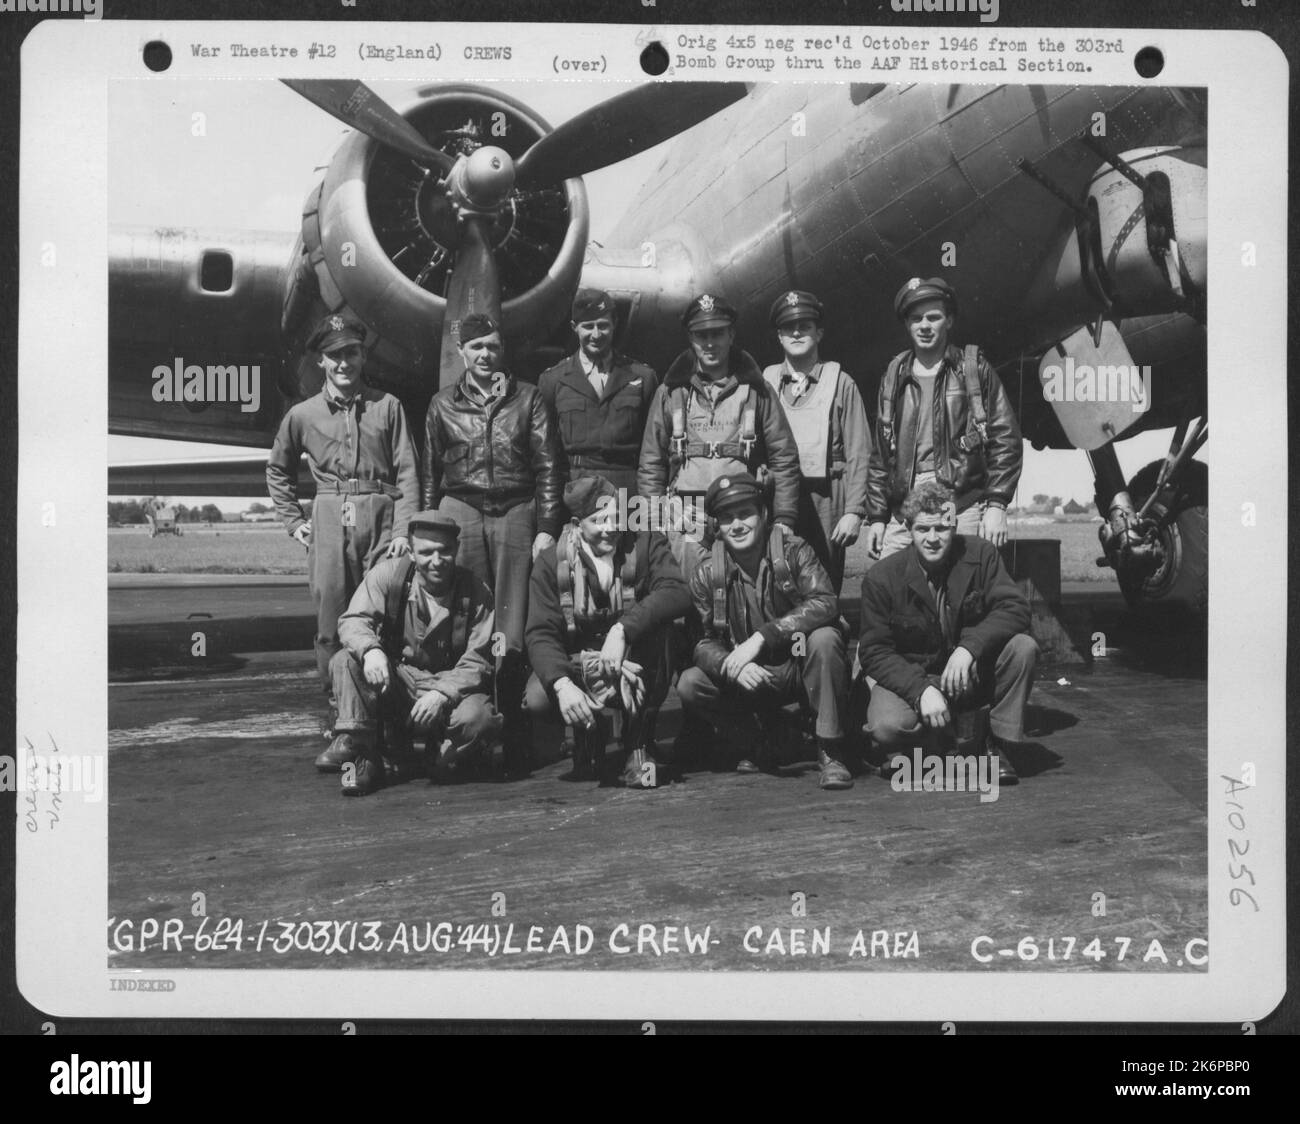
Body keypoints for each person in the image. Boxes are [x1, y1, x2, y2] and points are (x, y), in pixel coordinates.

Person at [266, 312, 420, 733]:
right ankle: (342, 712)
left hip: (380, 516)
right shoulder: (302, 415)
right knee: (331, 618)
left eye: (351, 353)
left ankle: (387, 712)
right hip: (330, 517)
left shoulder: (388, 407)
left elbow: (407, 471)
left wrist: (404, 531)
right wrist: (293, 521)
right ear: (321, 361)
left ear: (362, 356)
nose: (343, 363)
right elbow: (278, 469)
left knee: (386, 616)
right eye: (334, 355)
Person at [421, 312, 562, 772]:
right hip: (460, 509)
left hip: (516, 510)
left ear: (503, 352)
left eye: (493, 347)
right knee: (467, 618)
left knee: (511, 620)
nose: (485, 355)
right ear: (461, 352)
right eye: (476, 347)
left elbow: (547, 466)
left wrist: (545, 526)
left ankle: (517, 729)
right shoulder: (441, 404)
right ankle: (470, 729)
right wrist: (425, 527)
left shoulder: (529, 399)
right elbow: (429, 475)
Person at [676, 473, 854, 791]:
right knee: (690, 684)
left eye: (745, 513)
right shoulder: (705, 572)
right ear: (717, 525)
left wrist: (763, 637)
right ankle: (760, 740)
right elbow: (701, 641)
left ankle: (831, 749)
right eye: (727, 518)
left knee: (824, 638)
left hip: (798, 664)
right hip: (749, 677)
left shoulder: (794, 551)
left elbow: (825, 602)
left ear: (764, 515)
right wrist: (731, 665)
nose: (737, 525)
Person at [858, 479, 1038, 784]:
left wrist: (969, 648)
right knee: (885, 726)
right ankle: (940, 745)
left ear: (954, 526)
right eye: (922, 529)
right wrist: (921, 691)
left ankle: (995, 744)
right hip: (916, 676)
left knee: (1023, 647)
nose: (932, 538)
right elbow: (874, 651)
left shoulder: (982, 555)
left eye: (941, 528)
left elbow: (1016, 608)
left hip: (971, 674)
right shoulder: (881, 577)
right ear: (908, 529)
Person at [524, 474, 692, 787]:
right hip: (580, 662)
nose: (610, 528)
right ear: (576, 524)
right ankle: (589, 733)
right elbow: (539, 632)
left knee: (665, 632)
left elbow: (677, 591)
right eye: (598, 521)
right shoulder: (550, 563)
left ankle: (638, 743)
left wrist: (622, 629)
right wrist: (562, 685)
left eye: (616, 518)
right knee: (538, 696)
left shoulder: (644, 541)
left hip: (633, 656)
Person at [321, 512, 502, 797]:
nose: (436, 560)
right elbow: (353, 620)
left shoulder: (476, 591)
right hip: (399, 679)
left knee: (479, 718)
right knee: (345, 660)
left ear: (456, 549)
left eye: (444, 551)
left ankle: (436, 757)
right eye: (426, 552)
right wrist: (371, 651)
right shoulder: (388, 576)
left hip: (447, 685)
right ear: (413, 553)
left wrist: (443, 693)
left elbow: (481, 657)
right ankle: (366, 757)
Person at [865, 277, 1022, 559]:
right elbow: (880, 455)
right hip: (906, 503)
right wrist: (877, 517)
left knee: (962, 589)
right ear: (907, 324)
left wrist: (997, 504)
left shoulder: (972, 369)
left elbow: (1006, 438)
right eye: (916, 318)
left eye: (933, 317)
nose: (924, 325)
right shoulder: (893, 376)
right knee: (891, 586)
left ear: (949, 321)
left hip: (961, 502)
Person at [638, 292, 802, 562]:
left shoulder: (758, 391)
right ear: (691, 338)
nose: (710, 343)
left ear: (731, 335)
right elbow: (651, 463)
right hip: (686, 518)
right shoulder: (671, 393)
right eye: (702, 335)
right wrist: (654, 522)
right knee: (689, 598)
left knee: (745, 598)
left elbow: (783, 457)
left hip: (743, 514)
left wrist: (784, 517)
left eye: (718, 333)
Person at [761, 289, 872, 592]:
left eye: (805, 326)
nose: (796, 332)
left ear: (819, 332)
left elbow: (860, 453)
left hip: (826, 498)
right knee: (777, 580)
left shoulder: (842, 383)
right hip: (777, 495)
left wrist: (853, 511)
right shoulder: (764, 383)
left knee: (822, 582)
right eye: (788, 327)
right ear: (779, 336)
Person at [537, 289, 658, 497]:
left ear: (614, 325)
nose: (596, 334)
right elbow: (547, 451)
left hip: (626, 487)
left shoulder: (642, 377)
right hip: (575, 486)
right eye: (588, 326)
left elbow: (653, 446)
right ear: (575, 327)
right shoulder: (553, 380)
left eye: (603, 325)